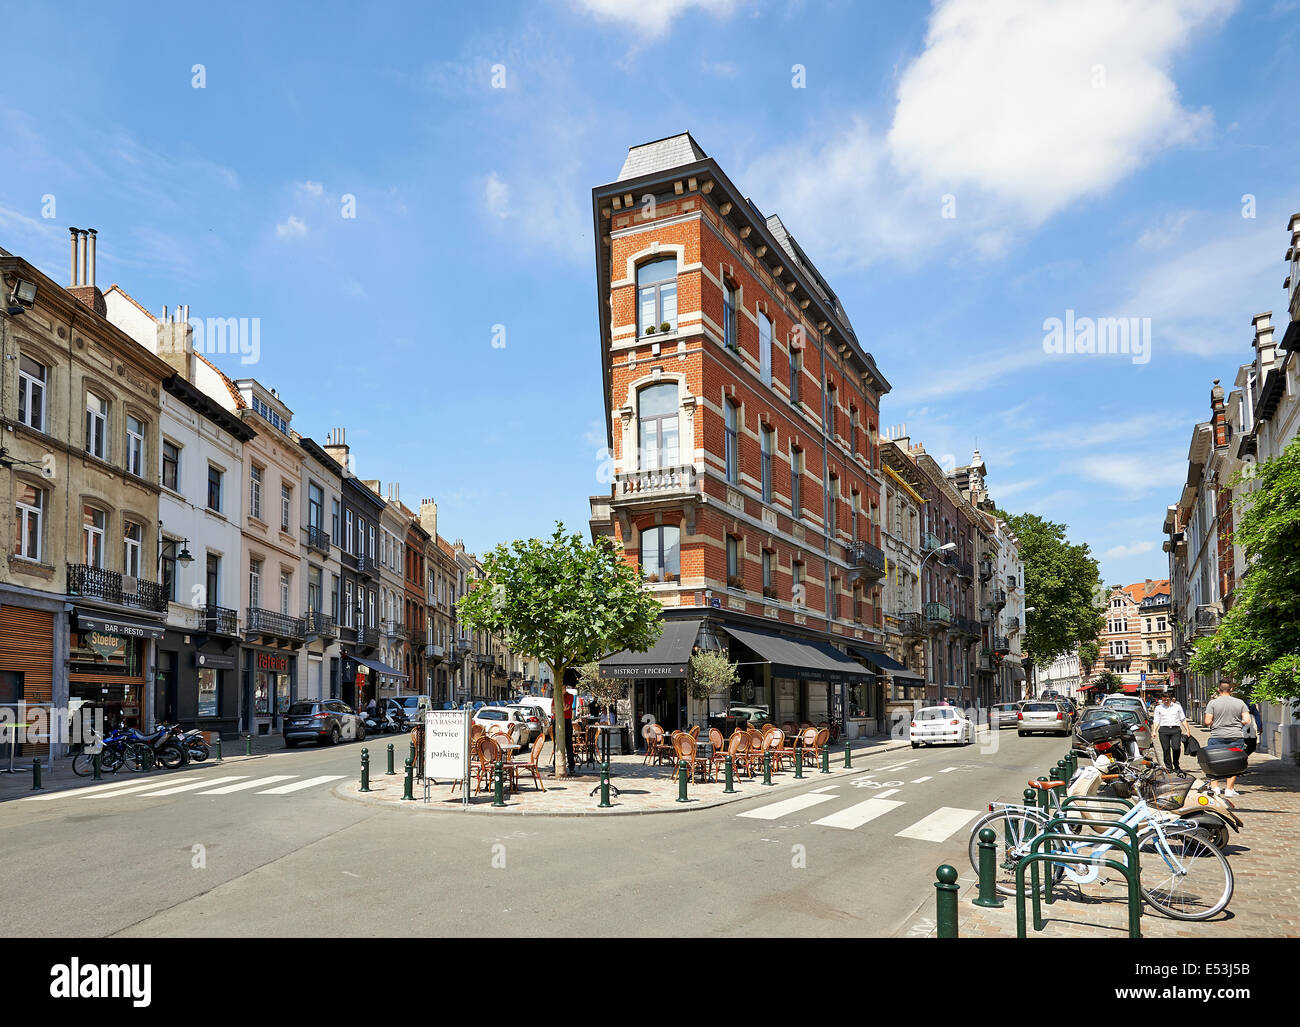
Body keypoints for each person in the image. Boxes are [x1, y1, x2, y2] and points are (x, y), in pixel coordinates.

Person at [1202, 680, 1251, 797]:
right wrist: (1238, 724)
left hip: (1217, 736)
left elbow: (1207, 721)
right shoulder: (1240, 703)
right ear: (1231, 690)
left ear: (1218, 690)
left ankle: (1215, 788)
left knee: (1214, 762)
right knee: (1234, 763)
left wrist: (1218, 723)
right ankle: (1229, 789)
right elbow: (1247, 720)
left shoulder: (1213, 703)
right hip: (1235, 736)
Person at [1151, 692, 1190, 772]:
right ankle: (1169, 767)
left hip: (1175, 729)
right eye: (1164, 698)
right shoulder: (1158, 708)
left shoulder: (1177, 707)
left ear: (1170, 698)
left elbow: (1182, 719)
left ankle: (1176, 764)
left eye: (1167, 698)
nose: (1165, 700)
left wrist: (1187, 730)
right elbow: (1156, 720)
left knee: (1176, 747)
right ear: (1162, 699)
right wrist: (1154, 731)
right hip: (1164, 730)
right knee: (1166, 749)